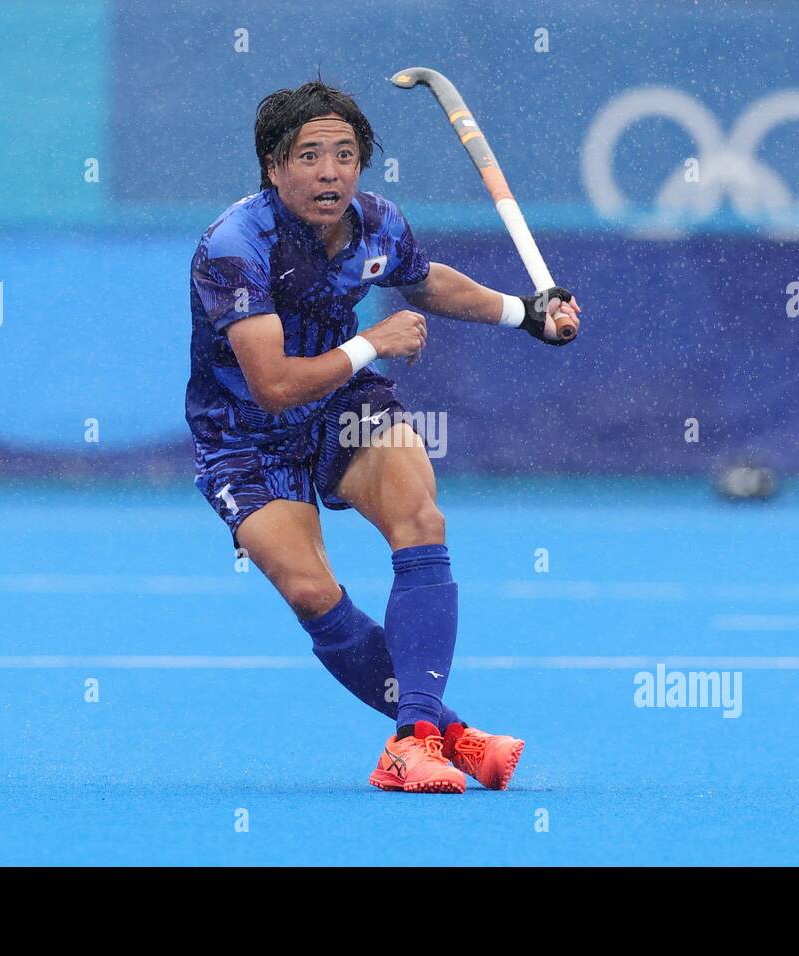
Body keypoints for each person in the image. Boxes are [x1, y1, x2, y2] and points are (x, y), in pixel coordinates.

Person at [186, 79, 581, 793]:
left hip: (341, 406)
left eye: (345, 154)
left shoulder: (378, 223)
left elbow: (424, 281)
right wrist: (373, 343)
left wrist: (524, 313)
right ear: (273, 168)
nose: (330, 171)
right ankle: (447, 731)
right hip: (245, 437)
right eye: (308, 156)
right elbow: (272, 384)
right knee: (311, 593)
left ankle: (413, 740)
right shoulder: (234, 246)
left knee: (420, 516)